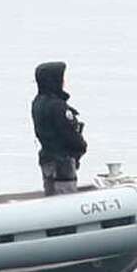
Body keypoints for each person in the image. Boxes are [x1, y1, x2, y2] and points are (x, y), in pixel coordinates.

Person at [31, 61, 87, 195]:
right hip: (63, 162)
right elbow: (69, 134)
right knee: (66, 195)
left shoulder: (37, 103)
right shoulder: (58, 106)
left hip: (47, 159)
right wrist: (81, 146)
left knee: (51, 194)